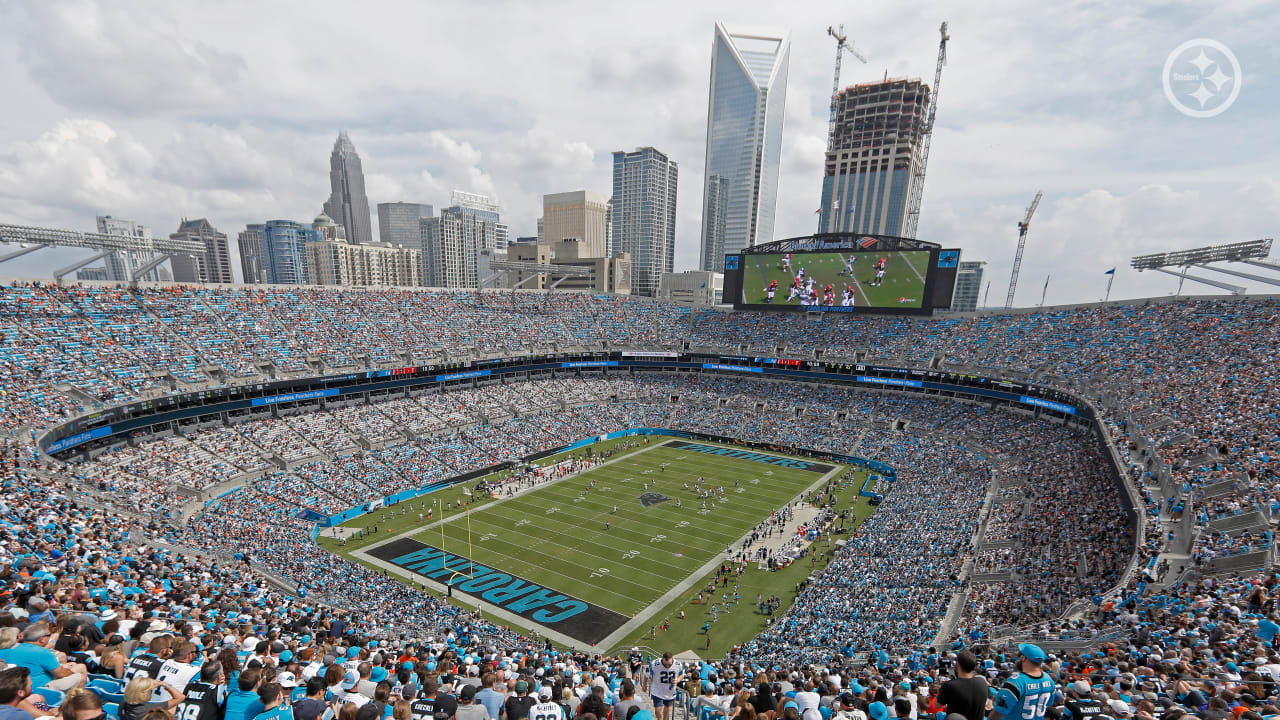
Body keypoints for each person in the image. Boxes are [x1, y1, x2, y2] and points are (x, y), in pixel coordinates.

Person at [0, 625, 87, 692]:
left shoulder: (5, 650)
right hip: (38, 689)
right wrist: (71, 671)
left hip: (13, 688)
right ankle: (75, 704)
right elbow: (61, 674)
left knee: (73, 665)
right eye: (49, 635)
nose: (50, 637)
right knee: (81, 675)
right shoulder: (42, 652)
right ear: (42, 639)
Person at [989, 645, 1055, 720]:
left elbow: (998, 713)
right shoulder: (1049, 679)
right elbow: (1049, 703)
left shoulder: (1015, 682)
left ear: (1023, 658)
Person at [938, 651, 988, 720]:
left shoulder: (949, 686)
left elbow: (937, 705)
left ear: (958, 665)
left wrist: (941, 688)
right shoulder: (982, 682)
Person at [121, 676, 186, 720]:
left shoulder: (123, 703)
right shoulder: (151, 708)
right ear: (145, 693)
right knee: (173, 707)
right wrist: (164, 684)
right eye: (150, 690)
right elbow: (180, 697)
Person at [649, 654, 683, 720]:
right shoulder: (655, 664)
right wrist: (644, 684)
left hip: (670, 691)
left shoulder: (678, 665)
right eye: (665, 664)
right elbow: (647, 674)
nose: (667, 666)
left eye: (669, 665)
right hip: (657, 690)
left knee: (667, 708)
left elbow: (681, 675)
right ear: (662, 659)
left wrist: (678, 679)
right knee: (658, 709)